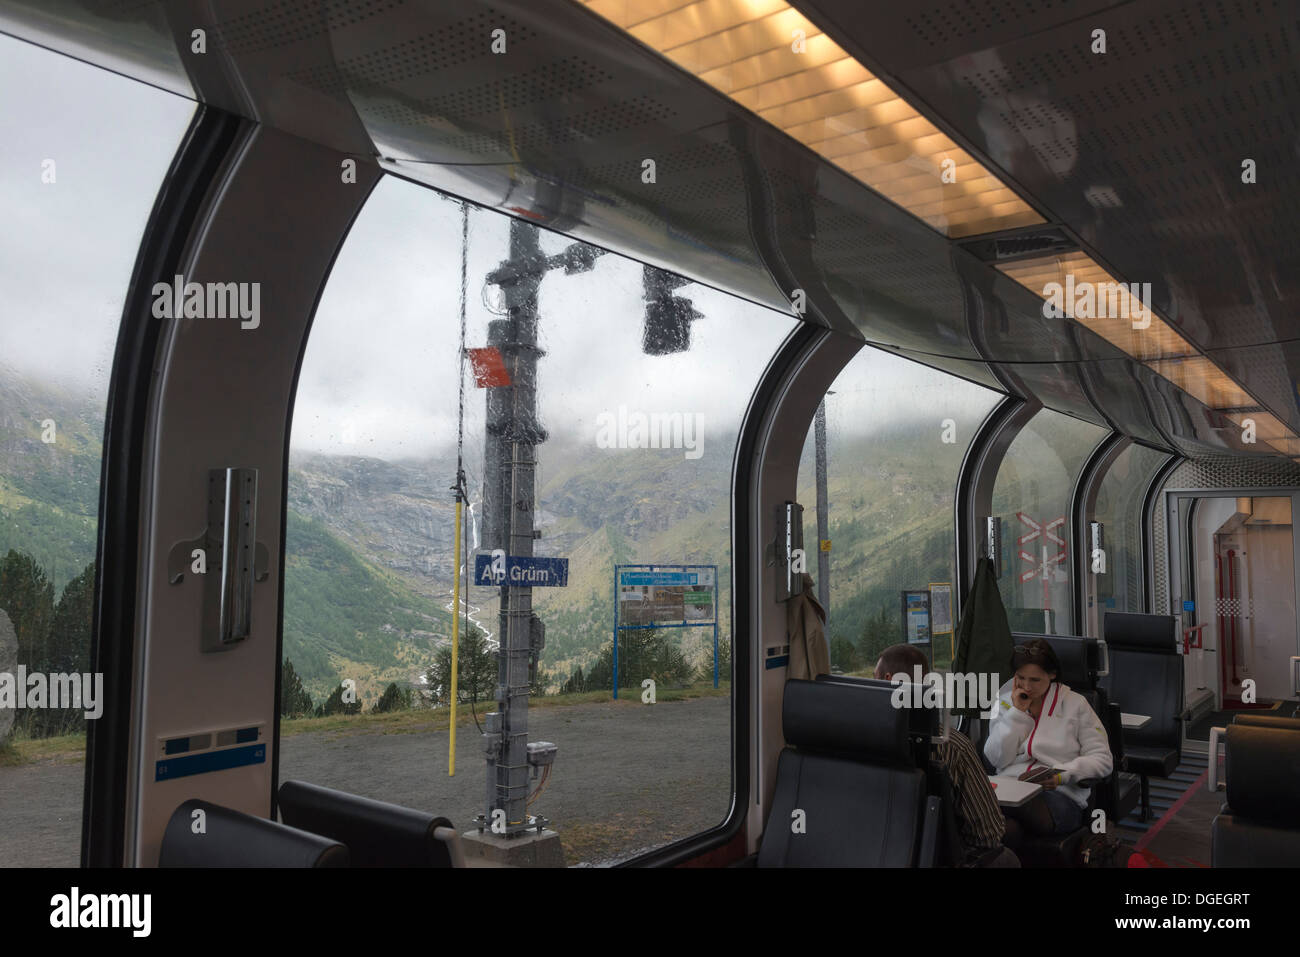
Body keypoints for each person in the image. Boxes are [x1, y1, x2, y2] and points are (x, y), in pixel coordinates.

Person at [875, 644, 1018, 867]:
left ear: (886, 678)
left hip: (876, 853)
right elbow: (987, 835)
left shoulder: (858, 740)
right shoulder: (952, 745)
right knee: (1007, 858)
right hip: (939, 858)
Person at [984, 638, 1112, 837]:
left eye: (1035, 680)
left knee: (991, 812)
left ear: (1052, 675)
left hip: (1058, 795)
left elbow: (1103, 760)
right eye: (1020, 678)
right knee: (1008, 831)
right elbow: (996, 759)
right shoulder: (1005, 703)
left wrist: (1063, 775)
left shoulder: (1076, 705)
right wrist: (1016, 715)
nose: (1026, 687)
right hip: (1010, 787)